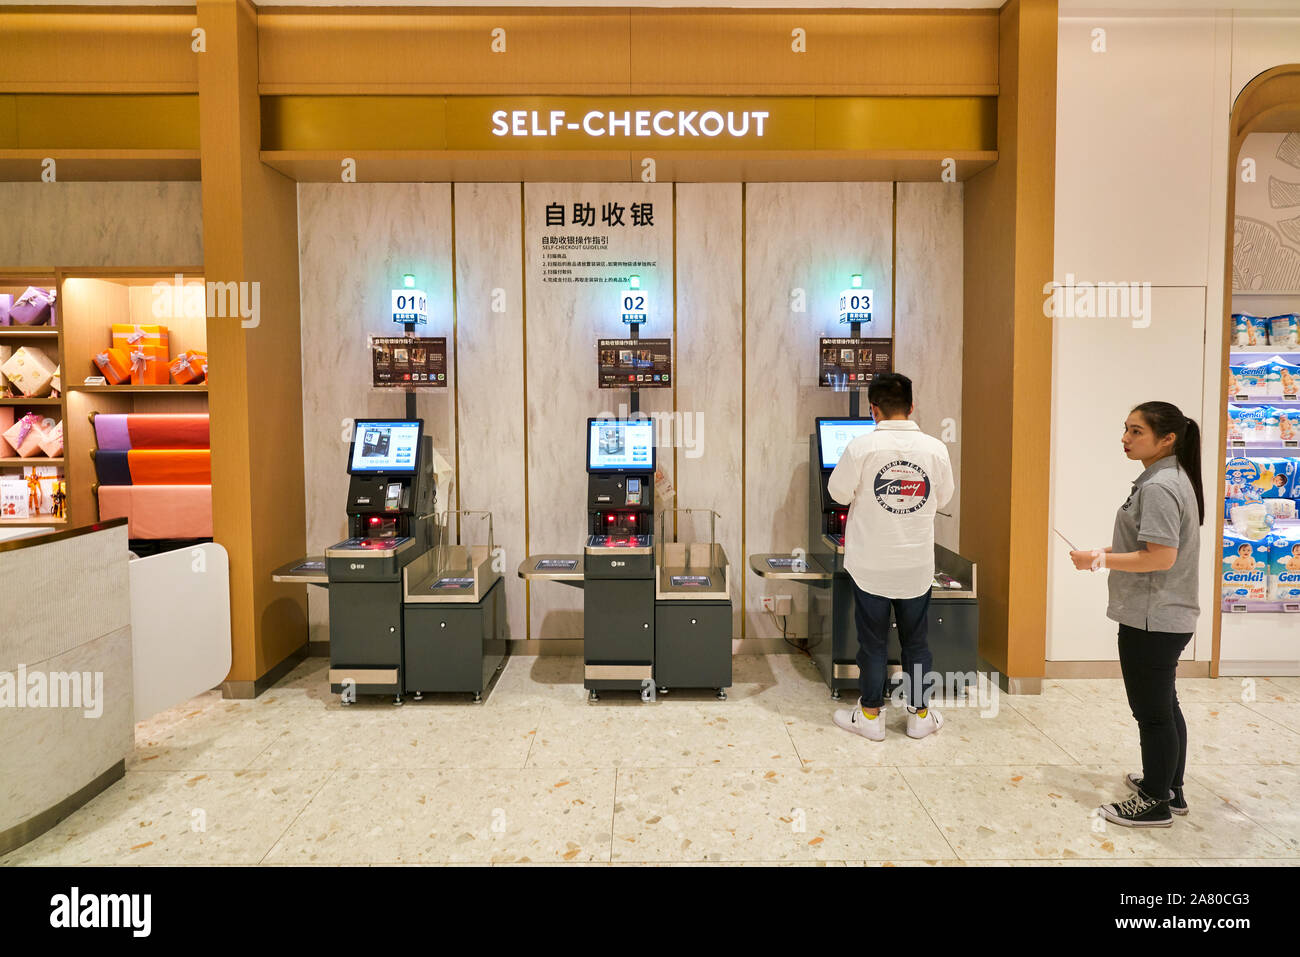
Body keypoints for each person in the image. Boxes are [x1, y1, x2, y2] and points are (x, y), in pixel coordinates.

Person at [1070, 401, 1203, 828]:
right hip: (1163, 614)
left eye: (1136, 432)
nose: (1125, 439)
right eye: (1125, 430)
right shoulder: (1166, 478)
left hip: (1153, 617)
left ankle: (1154, 801)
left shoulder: (1161, 486)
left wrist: (1102, 561)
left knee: (1153, 712)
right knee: (1164, 703)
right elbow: (1149, 546)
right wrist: (1098, 555)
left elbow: (1160, 558)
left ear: (1168, 439)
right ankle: (1170, 786)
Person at [827, 372, 955, 742]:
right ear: (912, 407)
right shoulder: (935, 449)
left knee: (873, 642)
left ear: (873, 409)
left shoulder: (861, 447)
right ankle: (919, 715)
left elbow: (837, 493)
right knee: (917, 642)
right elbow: (943, 497)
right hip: (915, 565)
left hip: (870, 566)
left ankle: (870, 716)